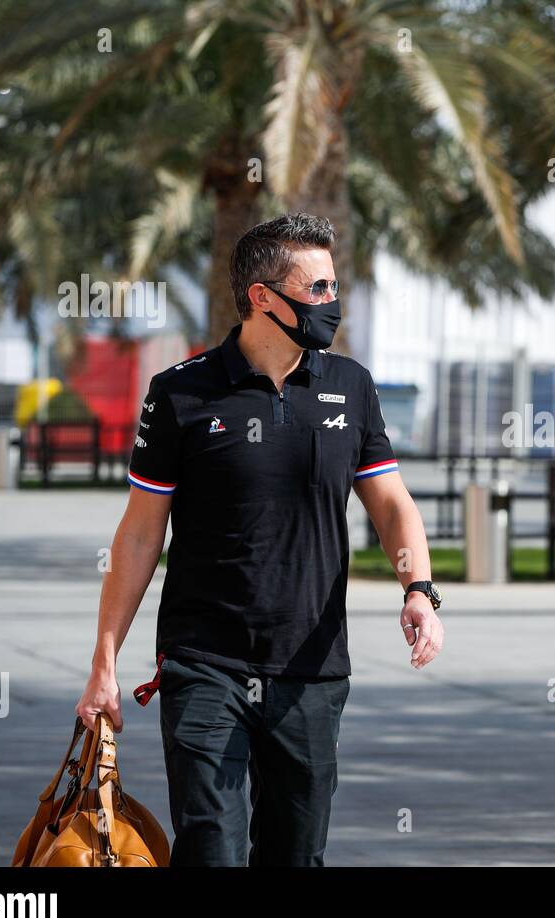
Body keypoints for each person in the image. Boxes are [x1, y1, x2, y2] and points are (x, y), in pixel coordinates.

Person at [76, 213, 445, 866]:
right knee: (211, 848)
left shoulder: (349, 388)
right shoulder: (180, 394)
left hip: (312, 670)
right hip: (204, 663)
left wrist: (418, 587)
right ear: (262, 298)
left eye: (335, 286)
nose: (332, 302)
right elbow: (139, 535)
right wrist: (105, 661)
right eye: (319, 289)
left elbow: (390, 503)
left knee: (295, 857)